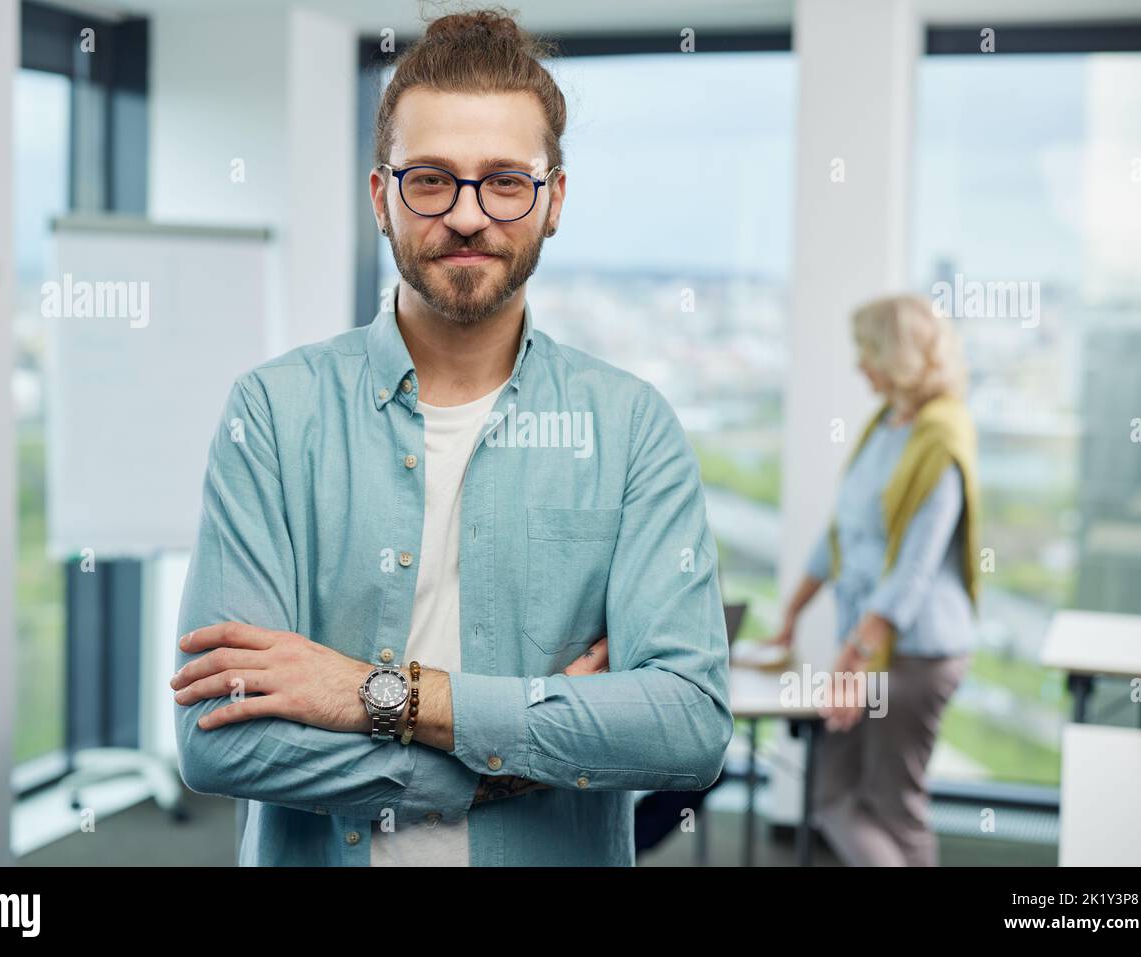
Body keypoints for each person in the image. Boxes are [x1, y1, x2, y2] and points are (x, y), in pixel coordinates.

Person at [169, 8, 732, 867]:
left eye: (506, 180)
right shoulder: (274, 415)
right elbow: (218, 738)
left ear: (555, 201)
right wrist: (499, 763)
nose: (469, 216)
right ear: (381, 196)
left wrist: (370, 694)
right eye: (431, 179)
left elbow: (687, 725)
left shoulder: (629, 428)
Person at [771, 294, 979, 866]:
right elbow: (841, 531)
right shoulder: (887, 424)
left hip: (913, 655)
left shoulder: (941, 437)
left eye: (866, 351)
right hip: (867, 649)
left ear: (896, 356)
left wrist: (852, 661)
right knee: (832, 794)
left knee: (894, 807)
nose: (859, 365)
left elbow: (911, 574)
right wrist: (792, 612)